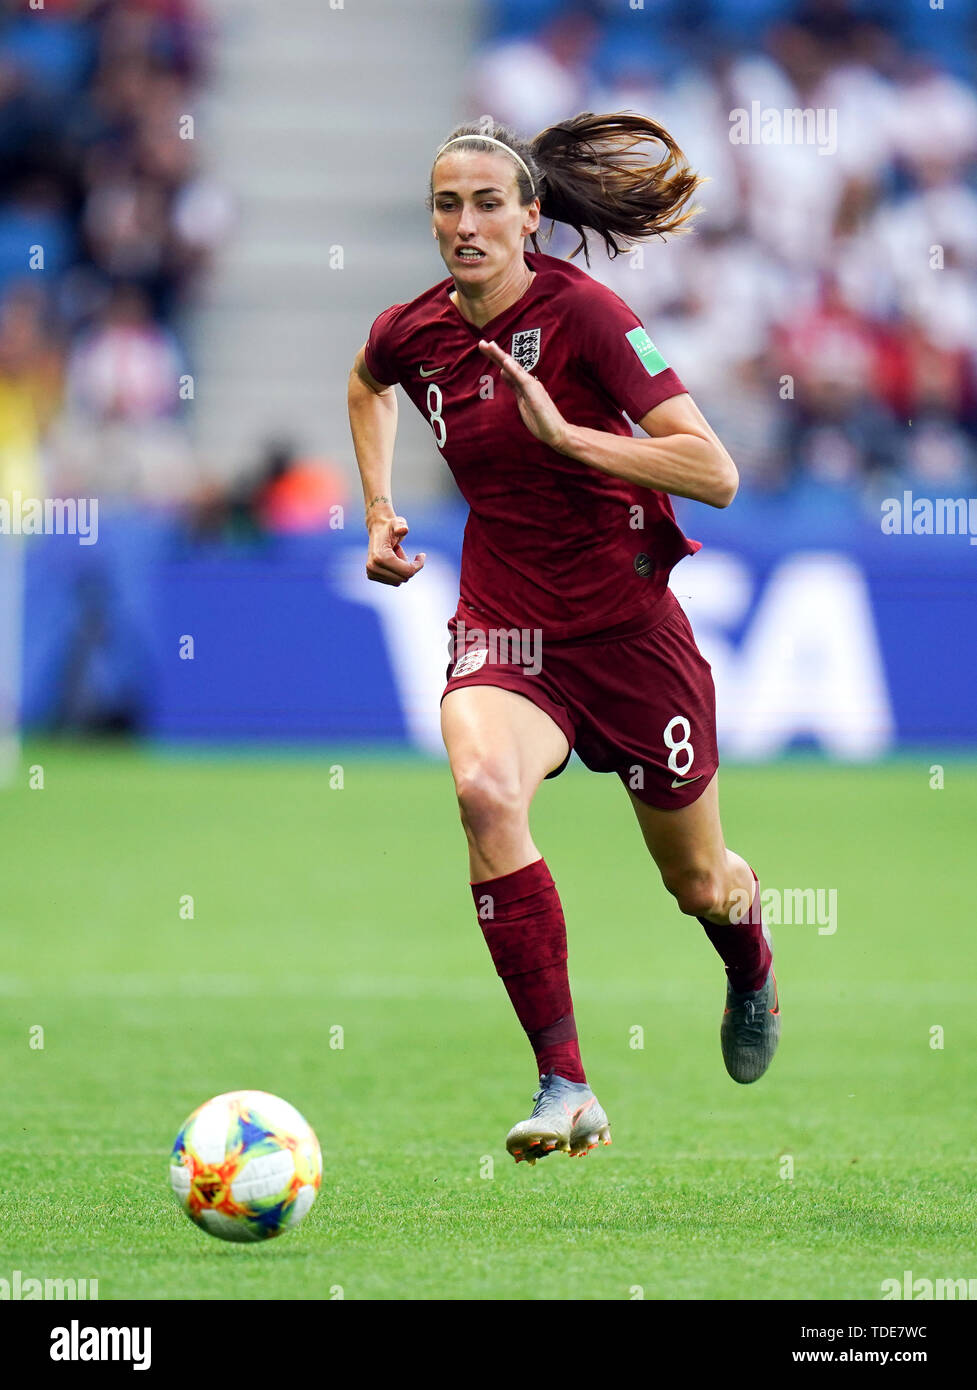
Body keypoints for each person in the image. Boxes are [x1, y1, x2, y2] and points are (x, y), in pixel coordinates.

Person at [347, 114, 779, 1166]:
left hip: (629, 637)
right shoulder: (415, 329)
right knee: (484, 793)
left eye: (487, 202)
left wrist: (569, 435)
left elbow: (712, 473)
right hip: (505, 626)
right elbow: (366, 382)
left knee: (697, 883)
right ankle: (565, 1083)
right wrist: (375, 508)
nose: (464, 222)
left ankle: (748, 957)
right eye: (446, 203)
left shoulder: (586, 315)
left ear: (531, 217)